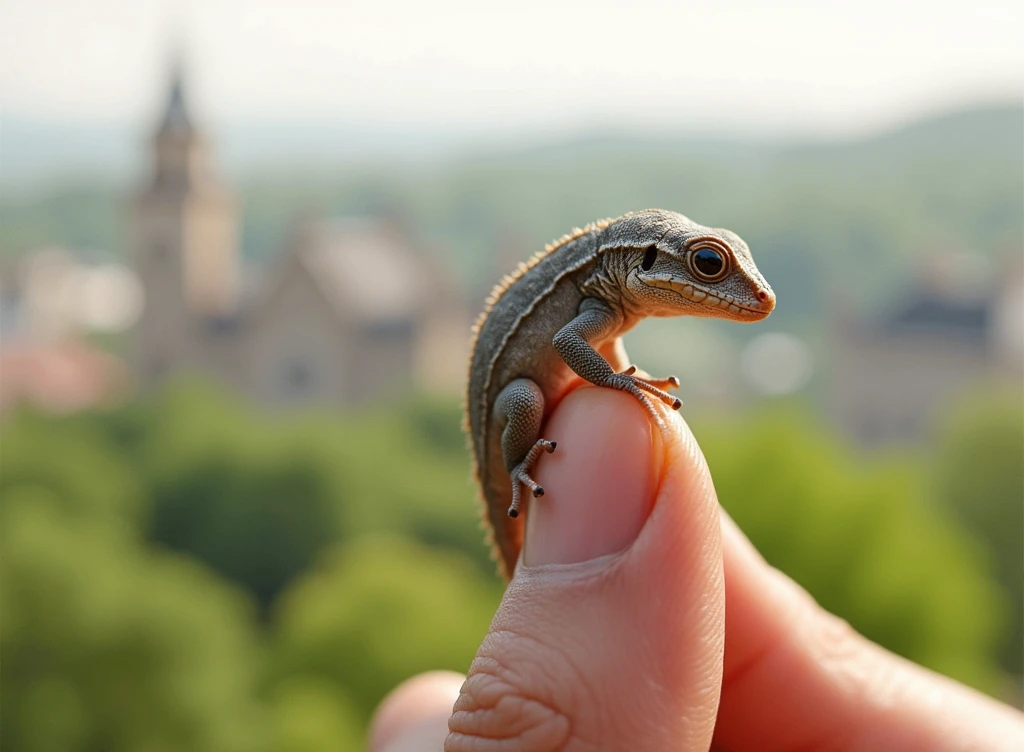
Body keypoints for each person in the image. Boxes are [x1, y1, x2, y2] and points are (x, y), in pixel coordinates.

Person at [369, 388, 1024, 751]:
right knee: (521, 400)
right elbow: (567, 345)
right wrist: (616, 388)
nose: (745, 294)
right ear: (643, 263)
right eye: (708, 268)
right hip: (507, 406)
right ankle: (519, 462)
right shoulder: (589, 310)